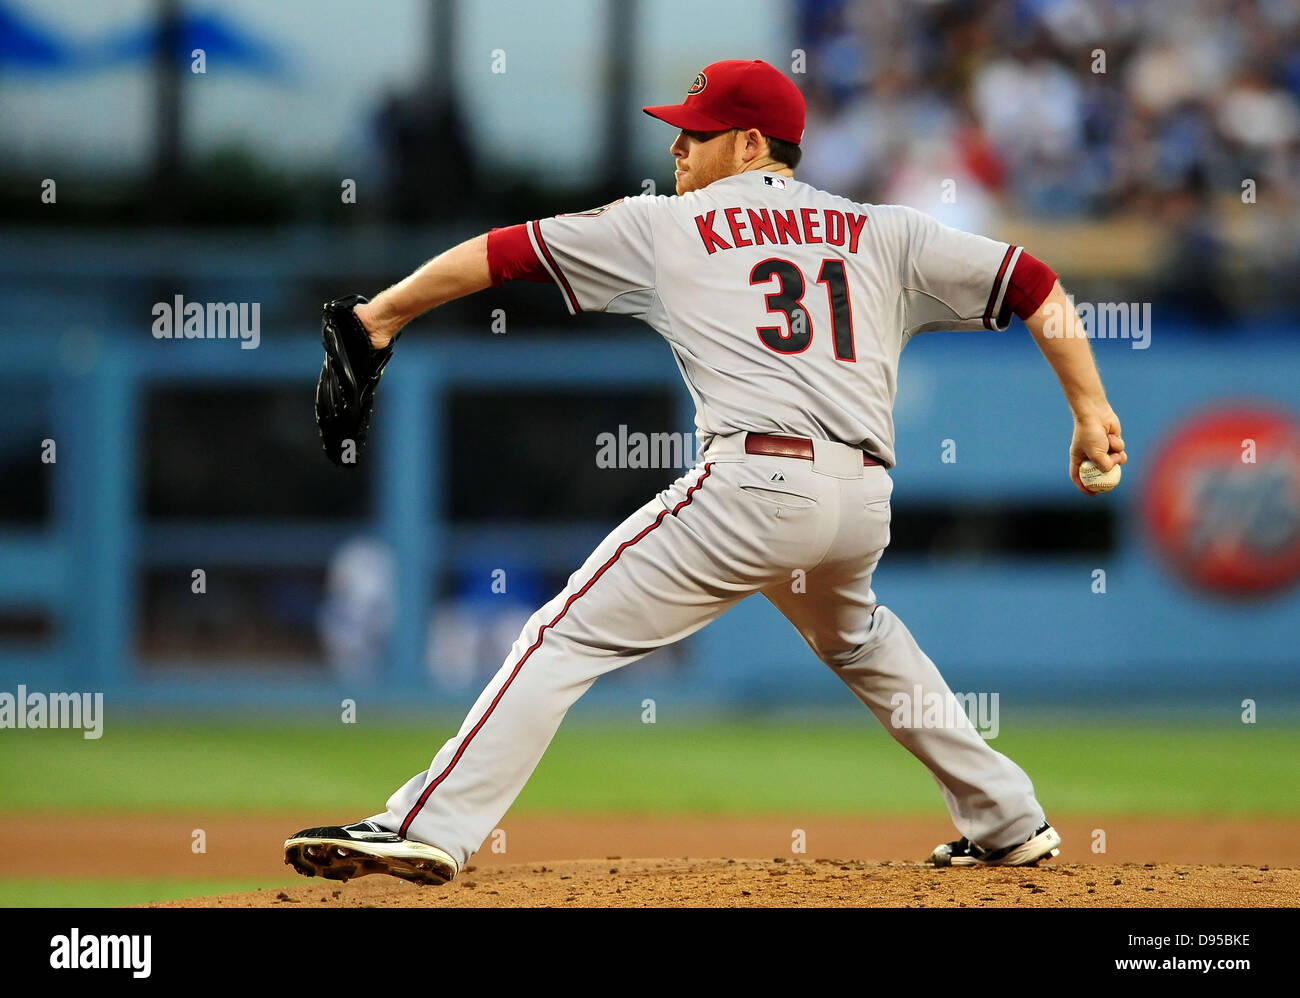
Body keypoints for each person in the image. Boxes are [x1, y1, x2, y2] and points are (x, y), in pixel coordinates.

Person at [285, 58, 1127, 885]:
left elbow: (504, 254)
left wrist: (380, 315)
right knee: (860, 638)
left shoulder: (665, 225)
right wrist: (1089, 409)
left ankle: (424, 825)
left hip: (755, 485)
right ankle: (1009, 821)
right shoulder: (884, 229)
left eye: (695, 132)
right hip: (861, 501)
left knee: (562, 634)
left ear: (752, 141)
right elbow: (1034, 282)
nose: (678, 149)